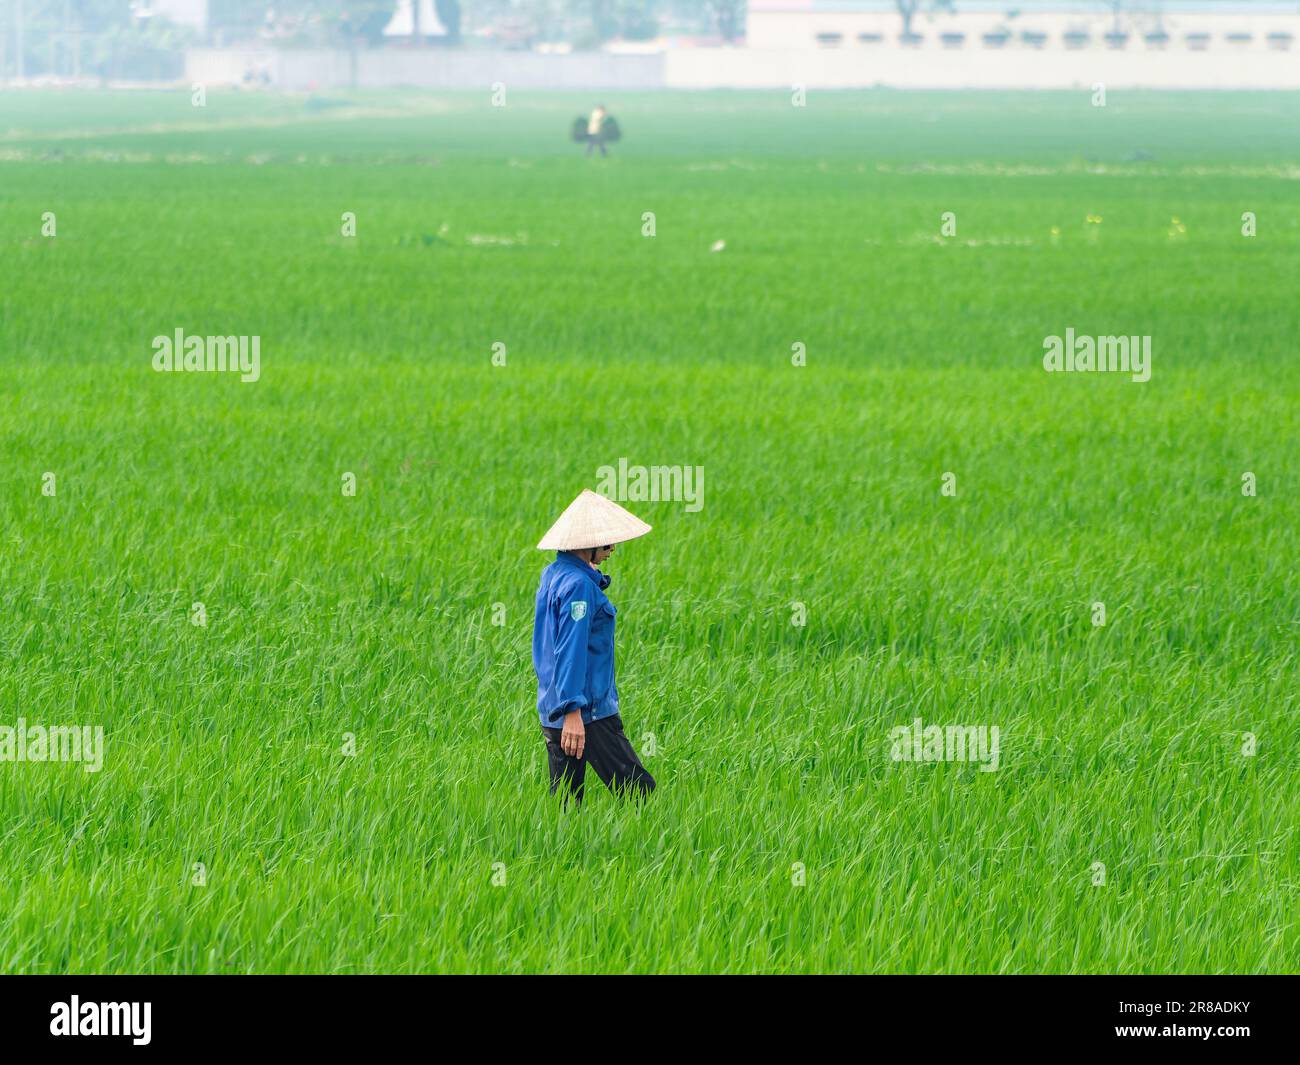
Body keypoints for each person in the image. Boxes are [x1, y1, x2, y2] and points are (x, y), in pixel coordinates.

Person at [532, 489, 656, 806]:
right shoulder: (579, 586)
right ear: (587, 542)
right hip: (588, 715)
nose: (613, 547)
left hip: (554, 710)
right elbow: (570, 648)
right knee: (640, 795)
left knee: (566, 806)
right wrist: (574, 711)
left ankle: (565, 854)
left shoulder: (554, 574)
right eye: (607, 540)